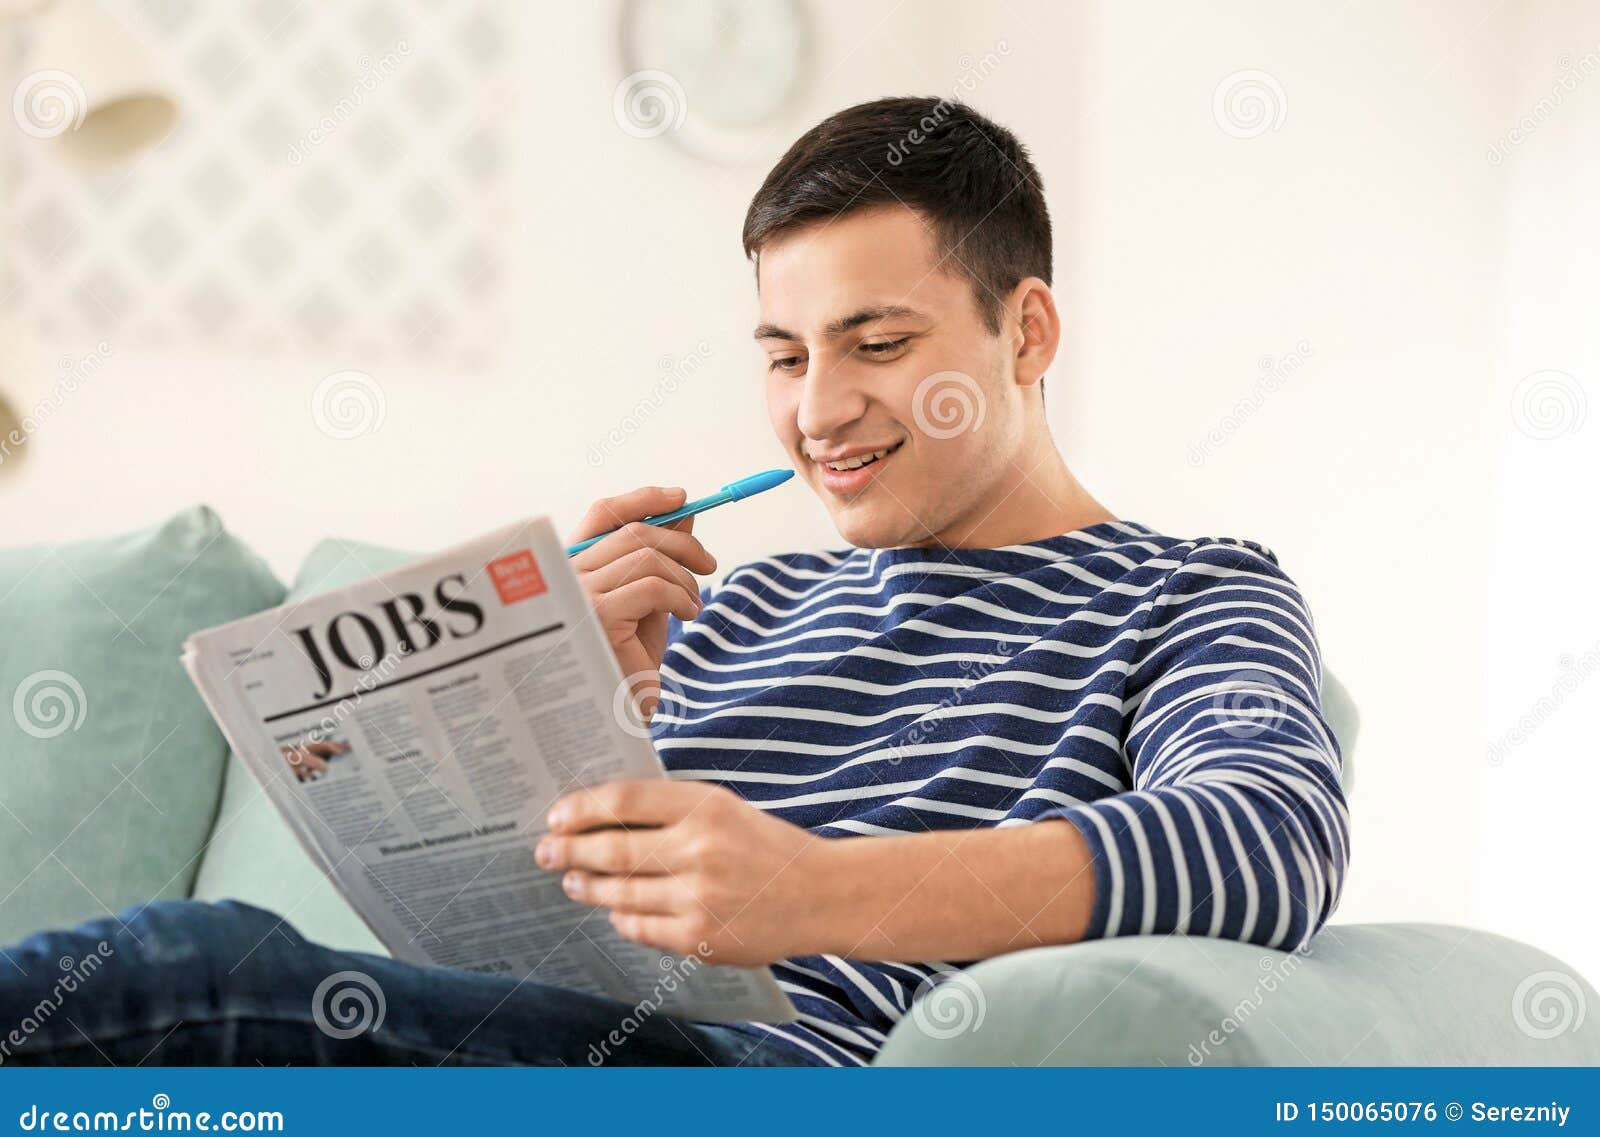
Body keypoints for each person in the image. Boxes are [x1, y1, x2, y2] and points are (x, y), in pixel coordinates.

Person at [0, 97, 1346, 1067]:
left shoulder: (1189, 595)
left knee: (193, 974)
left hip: (767, 1080)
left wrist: (813, 893)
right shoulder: (742, 607)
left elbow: (1265, 841)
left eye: (875, 342)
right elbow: (555, 944)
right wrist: (562, 689)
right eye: (782, 354)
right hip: (548, 1040)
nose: (819, 410)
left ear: (1027, 329)